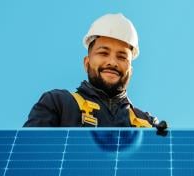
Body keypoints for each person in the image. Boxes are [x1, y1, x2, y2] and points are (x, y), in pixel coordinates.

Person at [24, 13, 160, 128]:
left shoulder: (148, 124)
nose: (112, 62)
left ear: (130, 71)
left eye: (121, 57)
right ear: (86, 63)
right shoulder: (59, 103)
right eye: (103, 53)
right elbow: (28, 154)